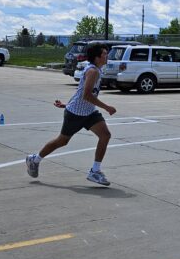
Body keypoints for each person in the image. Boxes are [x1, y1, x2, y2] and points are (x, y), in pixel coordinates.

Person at [26, 43, 117, 186]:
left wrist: (67, 104)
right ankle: (34, 159)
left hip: (89, 112)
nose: (107, 56)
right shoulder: (93, 71)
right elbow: (86, 95)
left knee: (105, 135)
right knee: (61, 141)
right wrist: (107, 107)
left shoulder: (97, 70)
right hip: (76, 114)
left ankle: (95, 171)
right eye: (105, 53)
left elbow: (81, 91)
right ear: (97, 57)